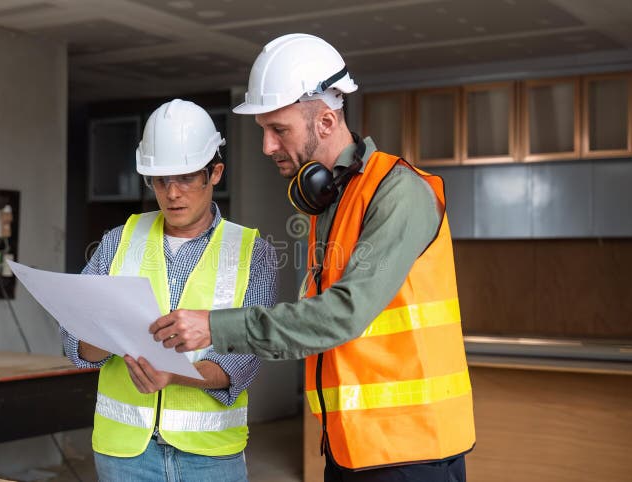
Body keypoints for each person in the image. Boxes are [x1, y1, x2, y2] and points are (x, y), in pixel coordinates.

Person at [149, 34, 475, 481]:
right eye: (264, 129)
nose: (266, 146)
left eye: (279, 130)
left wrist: (214, 326)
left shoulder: (398, 192)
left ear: (325, 121)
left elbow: (343, 313)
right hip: (352, 446)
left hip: (409, 449)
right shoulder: (333, 200)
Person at [62, 99, 277, 482]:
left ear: (215, 173)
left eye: (186, 178)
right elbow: (74, 344)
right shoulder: (118, 241)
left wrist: (174, 375)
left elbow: (244, 359)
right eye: (160, 180)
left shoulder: (251, 252)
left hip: (209, 457)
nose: (172, 193)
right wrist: (107, 333)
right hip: (124, 453)